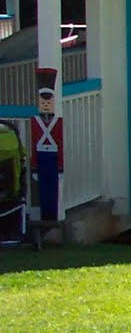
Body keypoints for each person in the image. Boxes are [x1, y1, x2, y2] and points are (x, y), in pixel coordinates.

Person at [29, 67, 62, 225]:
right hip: (41, 157)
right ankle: (45, 215)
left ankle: (52, 215)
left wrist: (61, 166)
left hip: (53, 157)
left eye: (48, 102)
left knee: (52, 190)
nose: (46, 105)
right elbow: (35, 143)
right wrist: (34, 166)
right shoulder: (35, 122)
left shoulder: (58, 122)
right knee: (43, 190)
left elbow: (60, 146)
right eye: (43, 102)